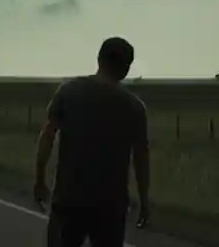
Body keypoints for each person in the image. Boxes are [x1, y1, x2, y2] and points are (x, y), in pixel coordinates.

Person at [34, 36, 150, 247]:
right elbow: (141, 157)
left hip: (69, 200)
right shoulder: (135, 107)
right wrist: (144, 199)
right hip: (110, 206)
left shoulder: (68, 91)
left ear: (99, 59)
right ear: (126, 68)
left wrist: (40, 179)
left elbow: (48, 136)